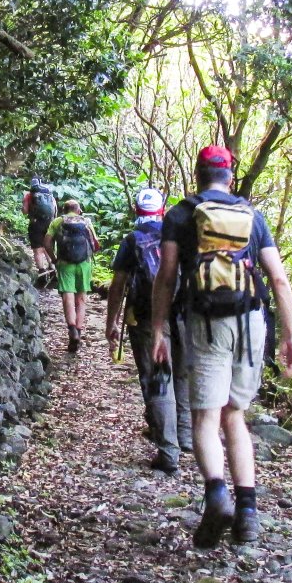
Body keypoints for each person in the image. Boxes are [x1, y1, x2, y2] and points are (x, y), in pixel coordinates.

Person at [151, 145, 292, 546]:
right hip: (251, 322)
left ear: (197, 175)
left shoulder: (182, 214)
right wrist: (289, 335)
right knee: (235, 415)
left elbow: (166, 276)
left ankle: (217, 494)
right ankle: (248, 513)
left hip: (205, 322)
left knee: (205, 416)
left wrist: (159, 330)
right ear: (230, 177)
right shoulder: (252, 216)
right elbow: (279, 280)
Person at [106, 187, 193, 473]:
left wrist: (112, 322)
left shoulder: (133, 240)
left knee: (158, 377)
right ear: (163, 207)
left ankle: (168, 450)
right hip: (185, 313)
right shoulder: (179, 233)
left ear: (135, 209)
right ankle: (185, 435)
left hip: (146, 316)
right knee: (181, 372)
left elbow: (118, 284)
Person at [45, 198, 99, 352]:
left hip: (65, 263)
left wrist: (54, 259)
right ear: (78, 209)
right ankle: (79, 331)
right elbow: (95, 244)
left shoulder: (57, 222)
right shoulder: (86, 221)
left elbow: (47, 242)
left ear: (64, 209)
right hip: (84, 263)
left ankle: (72, 329)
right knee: (81, 298)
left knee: (67, 295)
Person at [21, 177, 57, 278]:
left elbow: (25, 211)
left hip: (36, 223)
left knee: (38, 249)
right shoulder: (49, 194)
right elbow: (55, 209)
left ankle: (42, 272)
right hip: (49, 222)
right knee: (47, 245)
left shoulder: (29, 195)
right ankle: (52, 268)